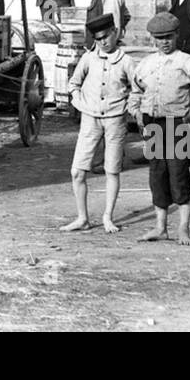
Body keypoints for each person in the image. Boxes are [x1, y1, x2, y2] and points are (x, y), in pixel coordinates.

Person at [129, 11, 190, 246]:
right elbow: (135, 91)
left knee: (178, 175)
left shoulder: (186, 62)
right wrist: (136, 111)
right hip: (153, 124)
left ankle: (184, 230)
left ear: (177, 35)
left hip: (178, 124)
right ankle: (160, 228)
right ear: (152, 39)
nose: (164, 42)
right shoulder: (145, 64)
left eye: (168, 37)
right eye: (159, 38)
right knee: (158, 174)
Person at [60, 13, 139, 234]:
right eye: (98, 38)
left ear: (115, 33)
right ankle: (82, 218)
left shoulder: (126, 61)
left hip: (115, 120)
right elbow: (73, 83)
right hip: (90, 119)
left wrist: (128, 107)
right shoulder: (88, 59)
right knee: (77, 171)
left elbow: (137, 89)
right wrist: (78, 102)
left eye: (106, 36)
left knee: (112, 170)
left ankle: (107, 217)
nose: (103, 42)